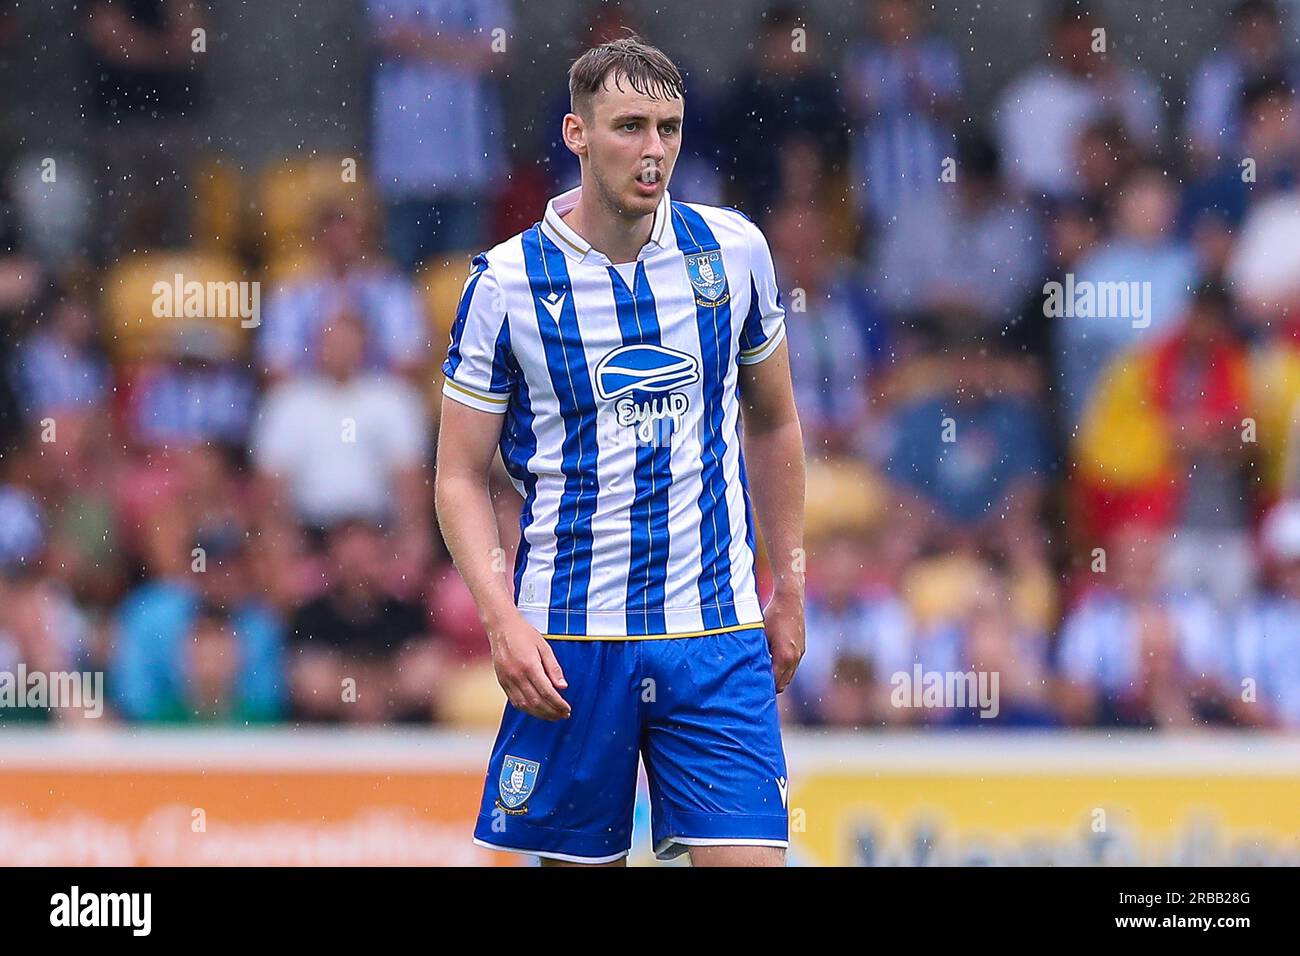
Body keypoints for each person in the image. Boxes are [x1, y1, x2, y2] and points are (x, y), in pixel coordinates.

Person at [435, 36, 806, 867]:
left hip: (715, 631)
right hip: (571, 640)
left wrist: (789, 584)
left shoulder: (734, 252)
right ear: (577, 133)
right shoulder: (504, 284)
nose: (654, 151)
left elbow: (775, 423)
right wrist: (500, 620)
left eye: (669, 129)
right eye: (630, 127)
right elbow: (457, 475)